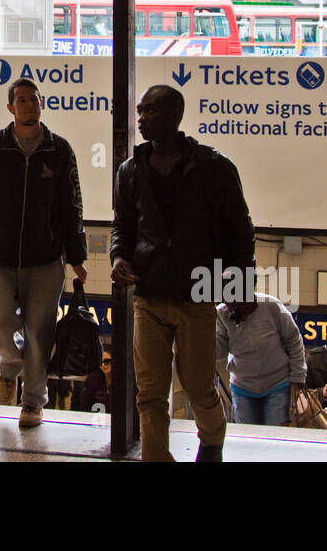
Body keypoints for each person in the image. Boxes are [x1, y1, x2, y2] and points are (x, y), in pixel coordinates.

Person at [110, 84, 255, 462]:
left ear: (174, 116)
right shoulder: (130, 170)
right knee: (150, 391)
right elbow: (122, 226)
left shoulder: (214, 168)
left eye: (150, 111)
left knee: (198, 386)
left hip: (198, 294)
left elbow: (241, 232)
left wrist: (241, 288)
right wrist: (117, 256)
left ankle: (211, 445)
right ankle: (155, 456)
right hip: (149, 293)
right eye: (139, 111)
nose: (141, 119)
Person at [0, 77, 87, 428]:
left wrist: (77, 256)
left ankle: (33, 402)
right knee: (2, 325)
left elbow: (71, 205)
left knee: (40, 333)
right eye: (21, 100)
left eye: (33, 99)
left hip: (45, 259)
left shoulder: (60, 149)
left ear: (42, 103)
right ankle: (8, 367)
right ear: (10, 108)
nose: (28, 105)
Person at [216, 293, 307, 426]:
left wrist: (298, 376)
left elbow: (294, 339)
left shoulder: (272, 305)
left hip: (277, 385)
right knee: (248, 439)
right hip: (242, 387)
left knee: (273, 437)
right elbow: (219, 354)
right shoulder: (221, 313)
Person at [81, 347, 114, 413]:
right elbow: (86, 404)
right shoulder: (92, 380)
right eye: (100, 362)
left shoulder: (124, 381)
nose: (103, 365)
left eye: (107, 361)